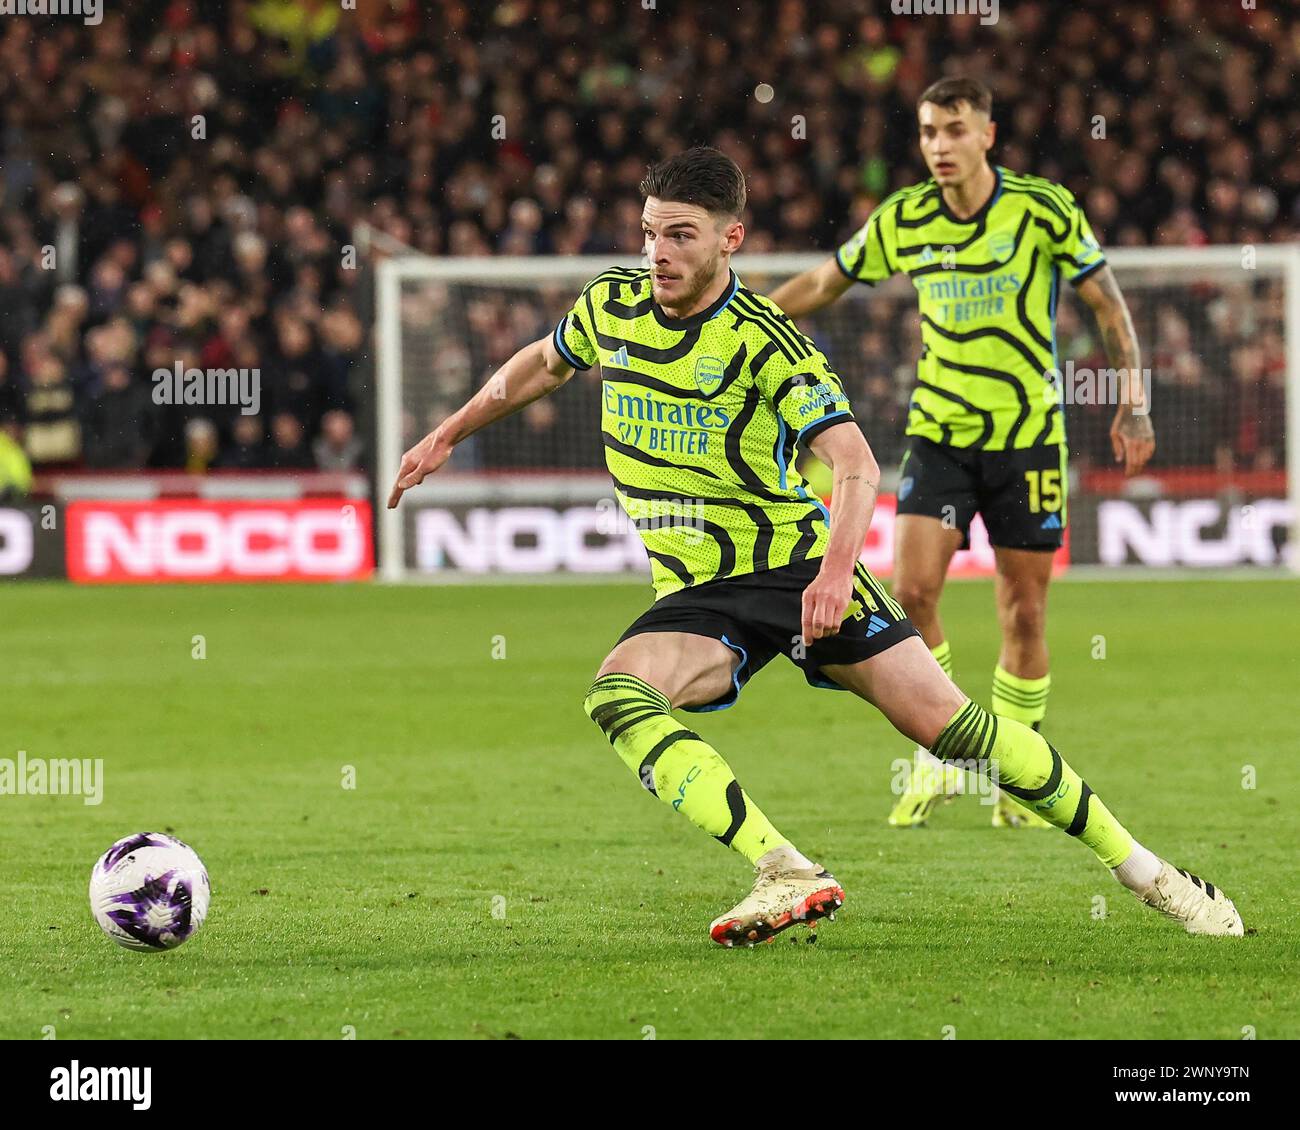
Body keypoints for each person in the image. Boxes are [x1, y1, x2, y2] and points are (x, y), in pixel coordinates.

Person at [389, 147, 1238, 946]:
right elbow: (541, 364)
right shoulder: (610, 303)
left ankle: (1153, 876)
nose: (658, 251)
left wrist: (835, 575)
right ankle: (783, 868)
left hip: (797, 567)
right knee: (618, 696)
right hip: (701, 588)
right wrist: (447, 434)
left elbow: (858, 465)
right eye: (650, 231)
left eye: (680, 234)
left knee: (955, 733)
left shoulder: (766, 339)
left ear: (732, 238)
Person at [770, 78, 1157, 829]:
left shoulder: (1042, 208)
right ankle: (941, 747)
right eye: (927, 133)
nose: (939, 146)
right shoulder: (905, 218)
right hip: (940, 434)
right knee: (911, 595)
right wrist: (741, 310)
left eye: (953, 130)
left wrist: (1133, 403)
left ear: (988, 133)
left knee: (1024, 612)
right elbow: (824, 281)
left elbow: (1107, 302)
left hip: (1028, 438)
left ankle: (1023, 771)